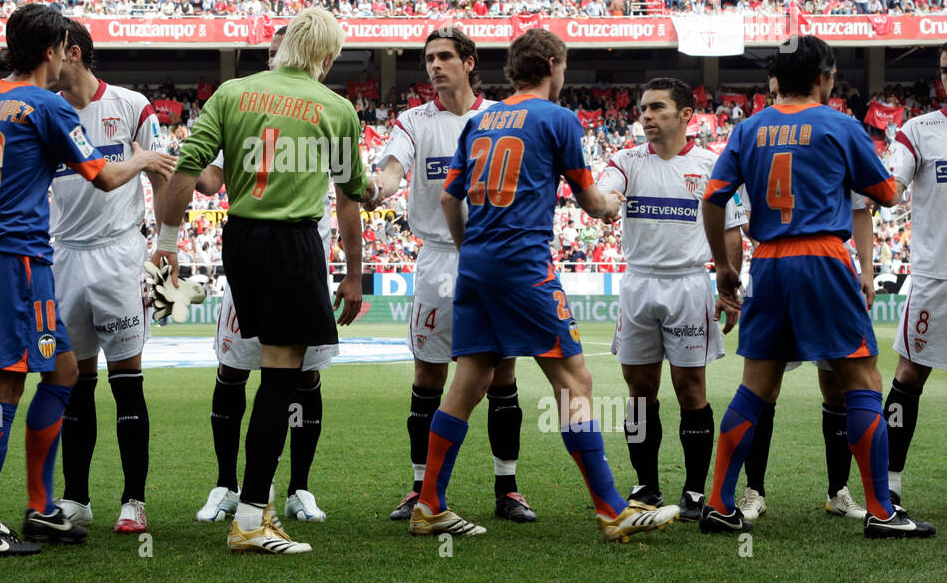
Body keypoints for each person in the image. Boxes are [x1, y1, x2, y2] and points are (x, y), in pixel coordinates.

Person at [0, 4, 173, 557]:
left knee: (64, 371)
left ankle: (42, 507)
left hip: (12, 258)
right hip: (15, 258)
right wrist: (142, 159)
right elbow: (108, 177)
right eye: (65, 46)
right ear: (52, 50)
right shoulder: (47, 106)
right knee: (5, 385)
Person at [414, 28, 680, 542]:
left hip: (474, 265)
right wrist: (612, 204)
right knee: (575, 384)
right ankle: (611, 509)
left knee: (468, 383)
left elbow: (450, 200)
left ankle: (429, 503)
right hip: (522, 265)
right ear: (554, 65)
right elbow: (590, 199)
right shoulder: (558, 118)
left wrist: (470, 250)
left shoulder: (480, 120)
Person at [152, 7, 373, 555]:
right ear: (325, 56)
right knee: (281, 379)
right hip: (293, 244)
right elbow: (356, 190)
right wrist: (380, 193)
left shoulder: (233, 92)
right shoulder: (336, 107)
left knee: (257, 373)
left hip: (241, 242)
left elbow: (186, 171)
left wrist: (167, 246)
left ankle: (252, 504)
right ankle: (252, 517)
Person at [700, 35, 934, 538]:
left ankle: (719, 502)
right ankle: (881, 510)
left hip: (768, 263)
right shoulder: (838, 124)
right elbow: (887, 194)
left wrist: (722, 266)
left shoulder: (748, 129)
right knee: (862, 380)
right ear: (824, 78)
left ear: (777, 79)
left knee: (756, 385)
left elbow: (714, 199)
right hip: (823, 258)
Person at [194, 26, 357, 525]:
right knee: (236, 368)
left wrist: (355, 272)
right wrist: (177, 167)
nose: (273, 60)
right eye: (267, 53)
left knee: (301, 374)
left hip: (298, 251)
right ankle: (231, 487)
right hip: (275, 249)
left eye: (279, 52)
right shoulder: (244, 106)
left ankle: (296, 489)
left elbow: (349, 198)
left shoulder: (321, 108)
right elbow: (209, 179)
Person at [373, 28, 536, 524]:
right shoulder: (413, 122)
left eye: (445, 56)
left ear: (469, 62)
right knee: (429, 373)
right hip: (439, 259)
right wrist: (378, 187)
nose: (434, 65)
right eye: (428, 58)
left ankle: (507, 488)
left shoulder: (499, 118)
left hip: (491, 257)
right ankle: (421, 487)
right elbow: (393, 169)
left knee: (502, 372)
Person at [595, 77, 746, 522]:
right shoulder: (625, 161)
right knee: (639, 390)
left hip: (688, 285)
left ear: (685, 115)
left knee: (690, 389)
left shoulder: (711, 165)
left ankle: (696, 492)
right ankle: (646, 485)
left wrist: (727, 287)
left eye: (657, 107)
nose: (646, 116)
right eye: (642, 108)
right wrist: (607, 202)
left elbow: (732, 230)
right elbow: (608, 191)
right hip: (639, 283)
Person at [735, 74, 874, 523]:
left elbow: (860, 208)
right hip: (804, 264)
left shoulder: (822, 132)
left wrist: (868, 270)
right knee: (764, 387)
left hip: (801, 267)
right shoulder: (828, 127)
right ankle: (752, 490)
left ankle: (838, 491)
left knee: (834, 384)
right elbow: (880, 195)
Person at [49, 20, 167, 536]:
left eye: (49, 53)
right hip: (64, 255)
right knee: (75, 382)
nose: (43, 64)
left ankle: (133, 500)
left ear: (71, 54)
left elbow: (163, 171)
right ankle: (76, 498)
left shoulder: (130, 104)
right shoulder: (44, 109)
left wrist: (166, 244)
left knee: (127, 380)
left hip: (119, 254)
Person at [881, 42, 947, 508]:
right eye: (945, 69)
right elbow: (891, 189)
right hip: (934, 278)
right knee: (908, 375)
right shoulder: (919, 131)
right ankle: (889, 484)